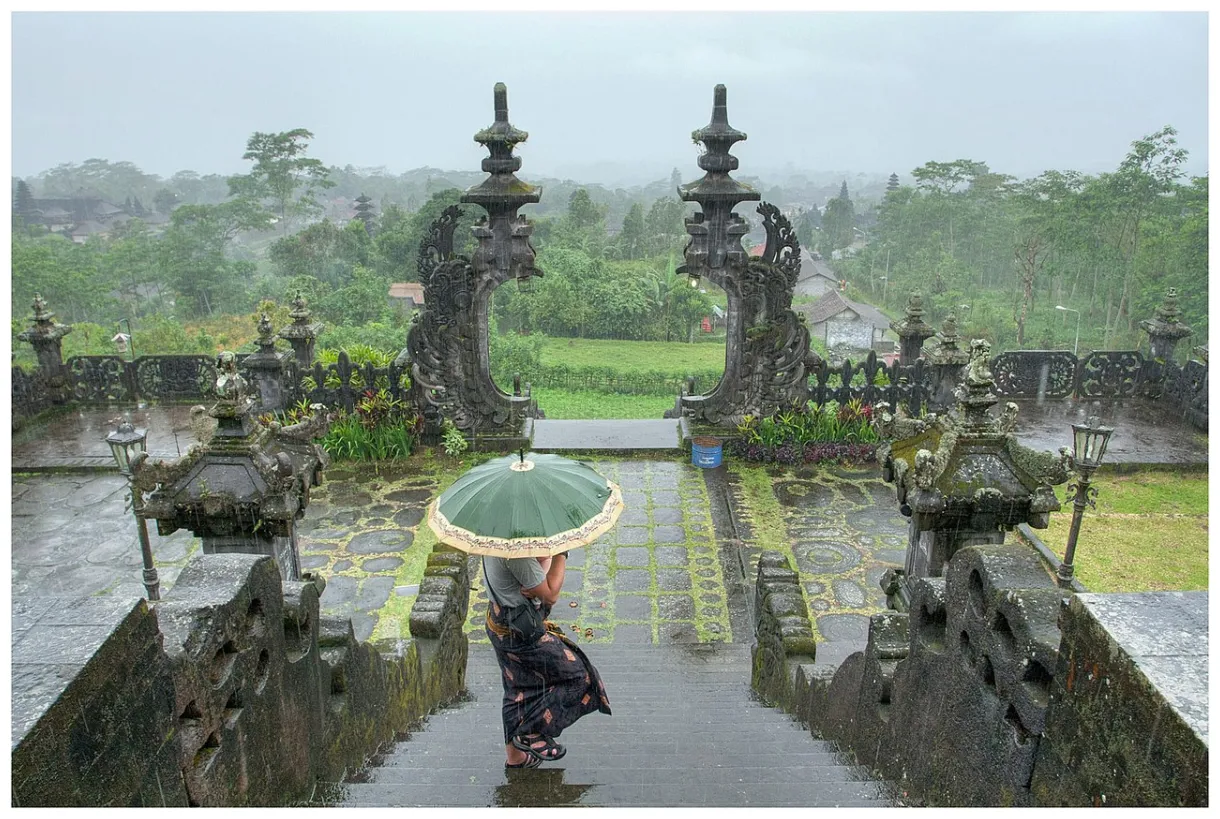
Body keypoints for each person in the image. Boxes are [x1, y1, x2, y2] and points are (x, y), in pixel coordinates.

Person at [482, 551, 611, 769]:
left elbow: (541, 565)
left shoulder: (497, 541)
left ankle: (516, 759)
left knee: (516, 689)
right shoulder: (517, 554)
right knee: (579, 676)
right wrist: (561, 553)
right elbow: (550, 594)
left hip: (500, 619)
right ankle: (530, 732)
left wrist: (540, 572)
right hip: (521, 632)